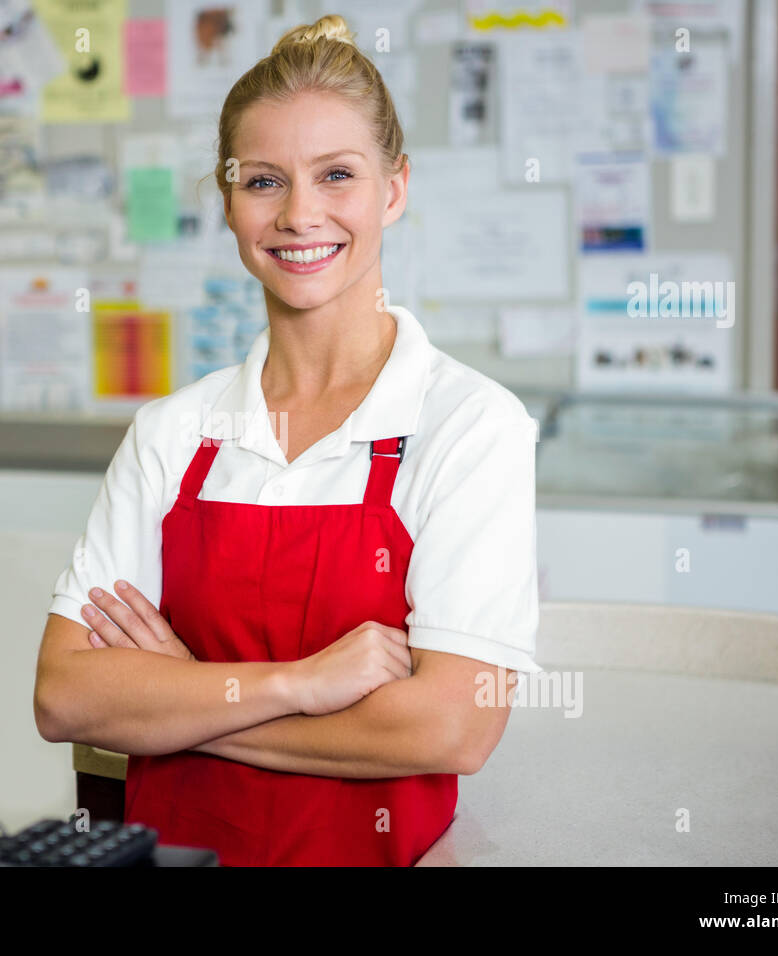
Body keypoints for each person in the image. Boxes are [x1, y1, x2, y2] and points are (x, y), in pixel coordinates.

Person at [34, 14, 541, 867]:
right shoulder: (171, 434)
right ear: (228, 201)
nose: (300, 215)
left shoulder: (469, 426)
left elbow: (451, 726)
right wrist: (299, 684)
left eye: (336, 175)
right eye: (264, 181)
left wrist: (185, 695)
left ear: (394, 189)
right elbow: (66, 698)